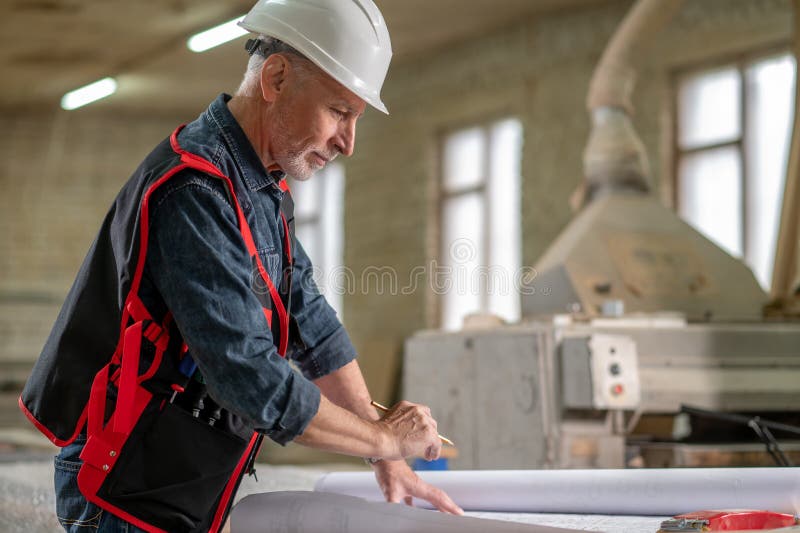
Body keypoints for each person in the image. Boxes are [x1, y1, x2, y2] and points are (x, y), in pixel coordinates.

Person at [19, 0, 462, 531]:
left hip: (169, 477)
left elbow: (312, 325)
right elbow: (250, 379)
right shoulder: (194, 192)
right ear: (275, 78)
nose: (347, 143)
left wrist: (385, 457)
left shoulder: (260, 187)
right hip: (123, 488)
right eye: (339, 112)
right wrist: (383, 435)